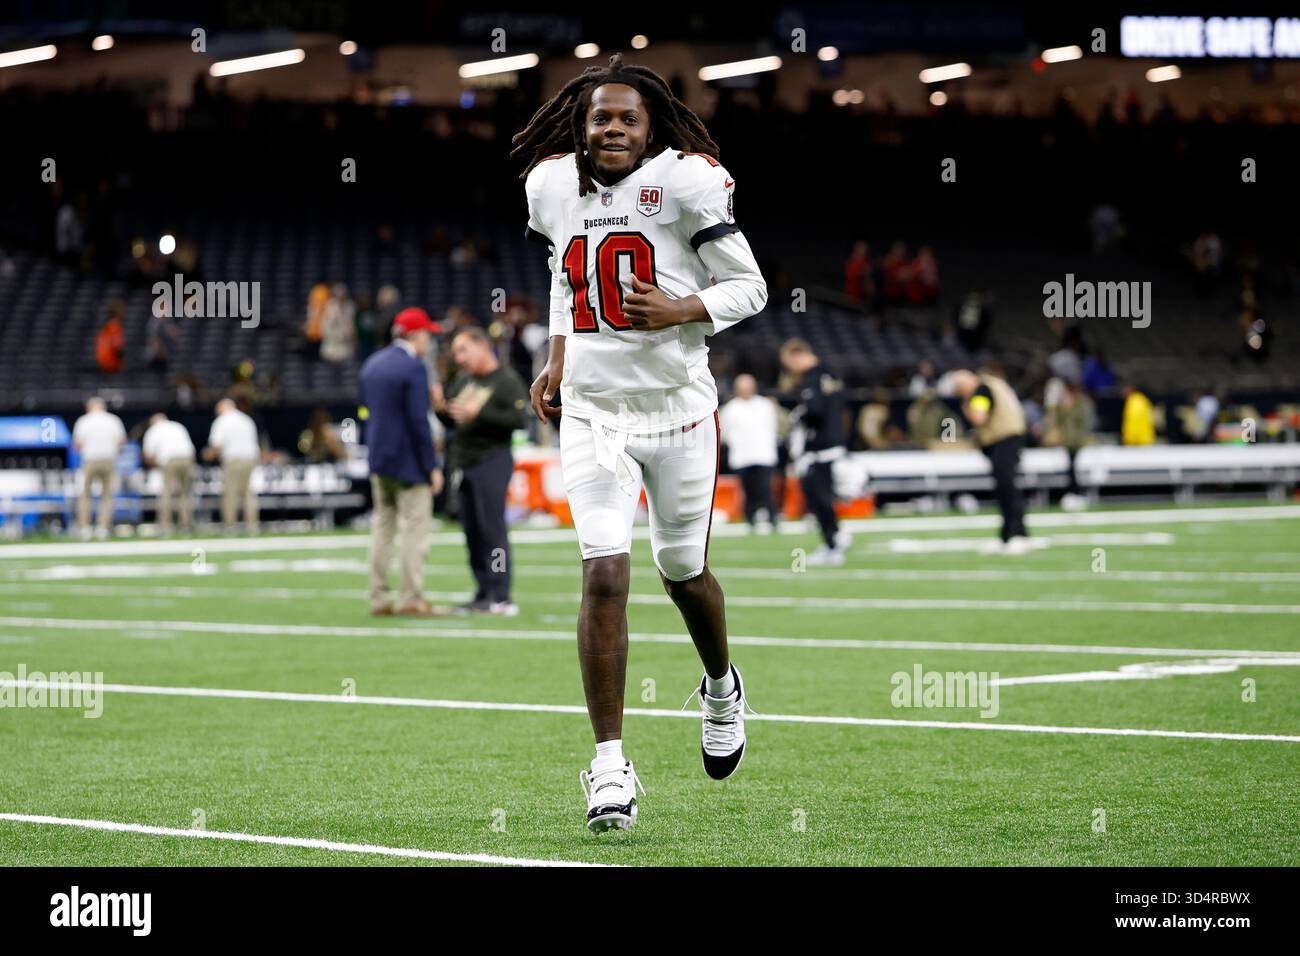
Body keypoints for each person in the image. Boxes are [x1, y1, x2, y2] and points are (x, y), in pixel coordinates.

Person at [515, 54, 768, 832]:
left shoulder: (689, 181)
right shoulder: (551, 183)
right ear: (581, 127)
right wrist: (558, 357)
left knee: (683, 572)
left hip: (679, 411)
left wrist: (682, 307)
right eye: (600, 118)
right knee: (603, 570)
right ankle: (609, 766)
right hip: (595, 413)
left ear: (651, 124)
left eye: (627, 117)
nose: (613, 128)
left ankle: (721, 687)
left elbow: (750, 286)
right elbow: (564, 272)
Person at [434, 326, 530, 615]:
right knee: (472, 531)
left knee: (492, 529)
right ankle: (483, 592)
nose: (459, 359)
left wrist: (482, 414)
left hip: (492, 460)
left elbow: (518, 420)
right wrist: (440, 409)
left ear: (482, 346)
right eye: (455, 353)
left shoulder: (505, 380)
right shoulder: (464, 381)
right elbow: (454, 422)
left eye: (463, 350)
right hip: (463, 463)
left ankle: (501, 595)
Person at [358, 307, 446, 617]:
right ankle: (410, 597)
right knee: (414, 529)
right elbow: (418, 422)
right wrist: (431, 465)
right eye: (427, 335)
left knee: (382, 527)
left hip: (379, 460)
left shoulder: (371, 364)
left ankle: (378, 598)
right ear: (414, 335)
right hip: (409, 462)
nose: (429, 342)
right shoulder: (413, 367)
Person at [781, 340, 851, 564]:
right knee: (824, 498)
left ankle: (833, 543)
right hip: (834, 443)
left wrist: (799, 415)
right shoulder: (830, 373)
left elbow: (814, 410)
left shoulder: (812, 377)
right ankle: (835, 537)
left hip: (820, 447)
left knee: (819, 498)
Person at [950, 369, 1031, 553]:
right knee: (1005, 488)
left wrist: (966, 407)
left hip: (1003, 440)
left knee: (1007, 488)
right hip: (1011, 437)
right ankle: (1007, 535)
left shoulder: (982, 390)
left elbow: (979, 417)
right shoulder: (994, 383)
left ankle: (1019, 535)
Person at [718, 374, 778, 533]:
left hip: (763, 454)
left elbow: (772, 428)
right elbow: (726, 433)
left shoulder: (765, 405)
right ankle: (750, 519)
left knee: (765, 488)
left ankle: (773, 518)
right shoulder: (731, 408)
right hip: (742, 456)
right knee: (748, 490)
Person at [71, 396, 126, 539]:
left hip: (90, 459)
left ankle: (85, 528)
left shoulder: (84, 420)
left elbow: (76, 444)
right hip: (108, 459)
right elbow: (121, 442)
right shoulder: (113, 420)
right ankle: (103, 527)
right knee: (107, 495)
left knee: (85, 494)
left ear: (89, 407)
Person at [204, 398, 260, 533]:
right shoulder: (246, 419)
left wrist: (208, 455)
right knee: (248, 492)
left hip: (233, 459)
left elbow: (217, 446)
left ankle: (230, 525)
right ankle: (252, 525)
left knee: (230, 492)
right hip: (250, 459)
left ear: (222, 408)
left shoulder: (222, 421)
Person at [142, 413, 197, 534]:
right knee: (184, 493)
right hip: (187, 458)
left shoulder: (154, 429)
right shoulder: (177, 426)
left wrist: (156, 465)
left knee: (167, 492)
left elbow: (148, 455)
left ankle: (165, 525)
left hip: (169, 460)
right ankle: (186, 525)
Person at [95, 303, 125, 374]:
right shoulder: (114, 326)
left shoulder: (106, 325)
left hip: (102, 362)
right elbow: (117, 347)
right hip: (111, 362)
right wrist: (122, 363)